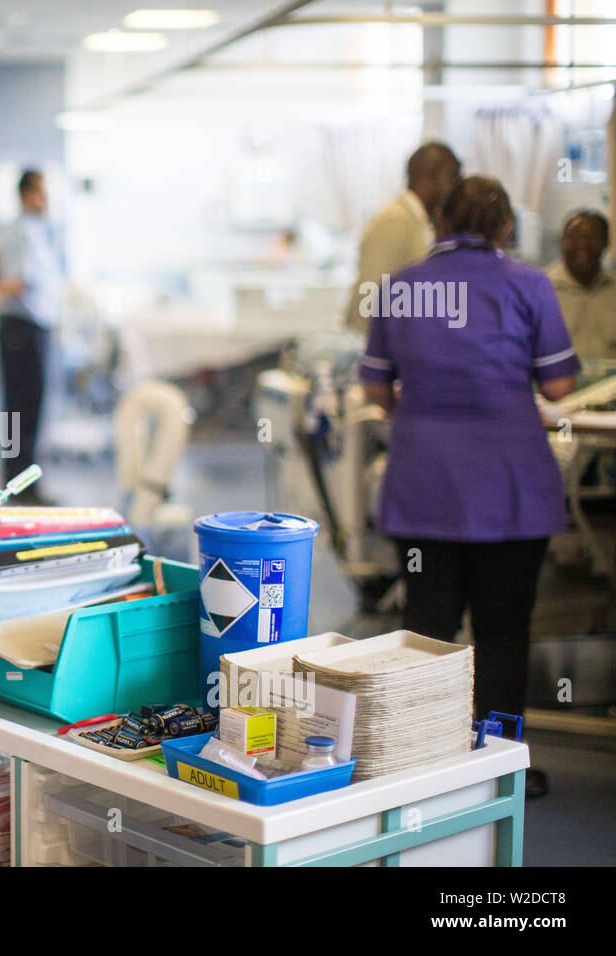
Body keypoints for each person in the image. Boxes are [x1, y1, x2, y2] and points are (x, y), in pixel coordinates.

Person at [359, 176, 578, 799]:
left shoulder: (397, 290)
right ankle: (502, 763)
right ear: (506, 227)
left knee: (427, 628)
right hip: (511, 483)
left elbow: (376, 389)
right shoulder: (531, 285)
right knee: (504, 630)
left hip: (423, 480)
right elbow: (559, 386)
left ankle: (422, 765)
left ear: (439, 222)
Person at [0, 169, 63, 503]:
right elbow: (13, 280)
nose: (45, 198)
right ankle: (19, 484)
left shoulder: (38, 230)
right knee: (21, 409)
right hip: (20, 327)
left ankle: (27, 480)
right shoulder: (21, 231)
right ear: (26, 194)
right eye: (41, 192)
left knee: (32, 408)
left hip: (34, 324)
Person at [346, 142, 462, 332]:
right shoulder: (396, 220)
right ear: (434, 175)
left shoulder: (418, 220)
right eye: (453, 177)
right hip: (380, 350)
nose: (455, 188)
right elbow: (368, 297)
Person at [547, 209, 616, 362]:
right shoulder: (540, 291)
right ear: (562, 241)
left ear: (606, 242)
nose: (582, 244)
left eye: (592, 237)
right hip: (557, 384)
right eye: (574, 236)